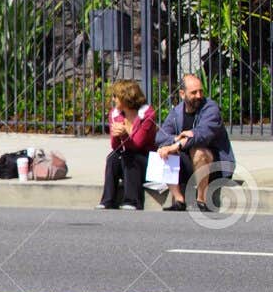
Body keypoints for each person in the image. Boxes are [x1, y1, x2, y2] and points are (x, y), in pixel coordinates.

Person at [156, 73, 235, 212]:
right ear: (182, 94)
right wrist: (175, 140)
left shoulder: (211, 108)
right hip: (189, 164)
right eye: (193, 92)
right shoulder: (176, 112)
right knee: (164, 150)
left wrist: (178, 145)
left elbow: (203, 135)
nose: (199, 95)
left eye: (201, 91)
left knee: (198, 150)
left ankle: (202, 200)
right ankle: (179, 200)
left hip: (214, 165)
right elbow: (160, 137)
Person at [100, 79, 157, 210]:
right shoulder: (115, 115)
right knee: (112, 157)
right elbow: (115, 147)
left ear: (125, 97)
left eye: (116, 96)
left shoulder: (147, 115)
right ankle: (107, 200)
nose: (113, 99)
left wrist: (125, 135)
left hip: (145, 159)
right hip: (125, 158)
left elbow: (138, 145)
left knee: (130, 156)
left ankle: (132, 201)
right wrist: (116, 135)